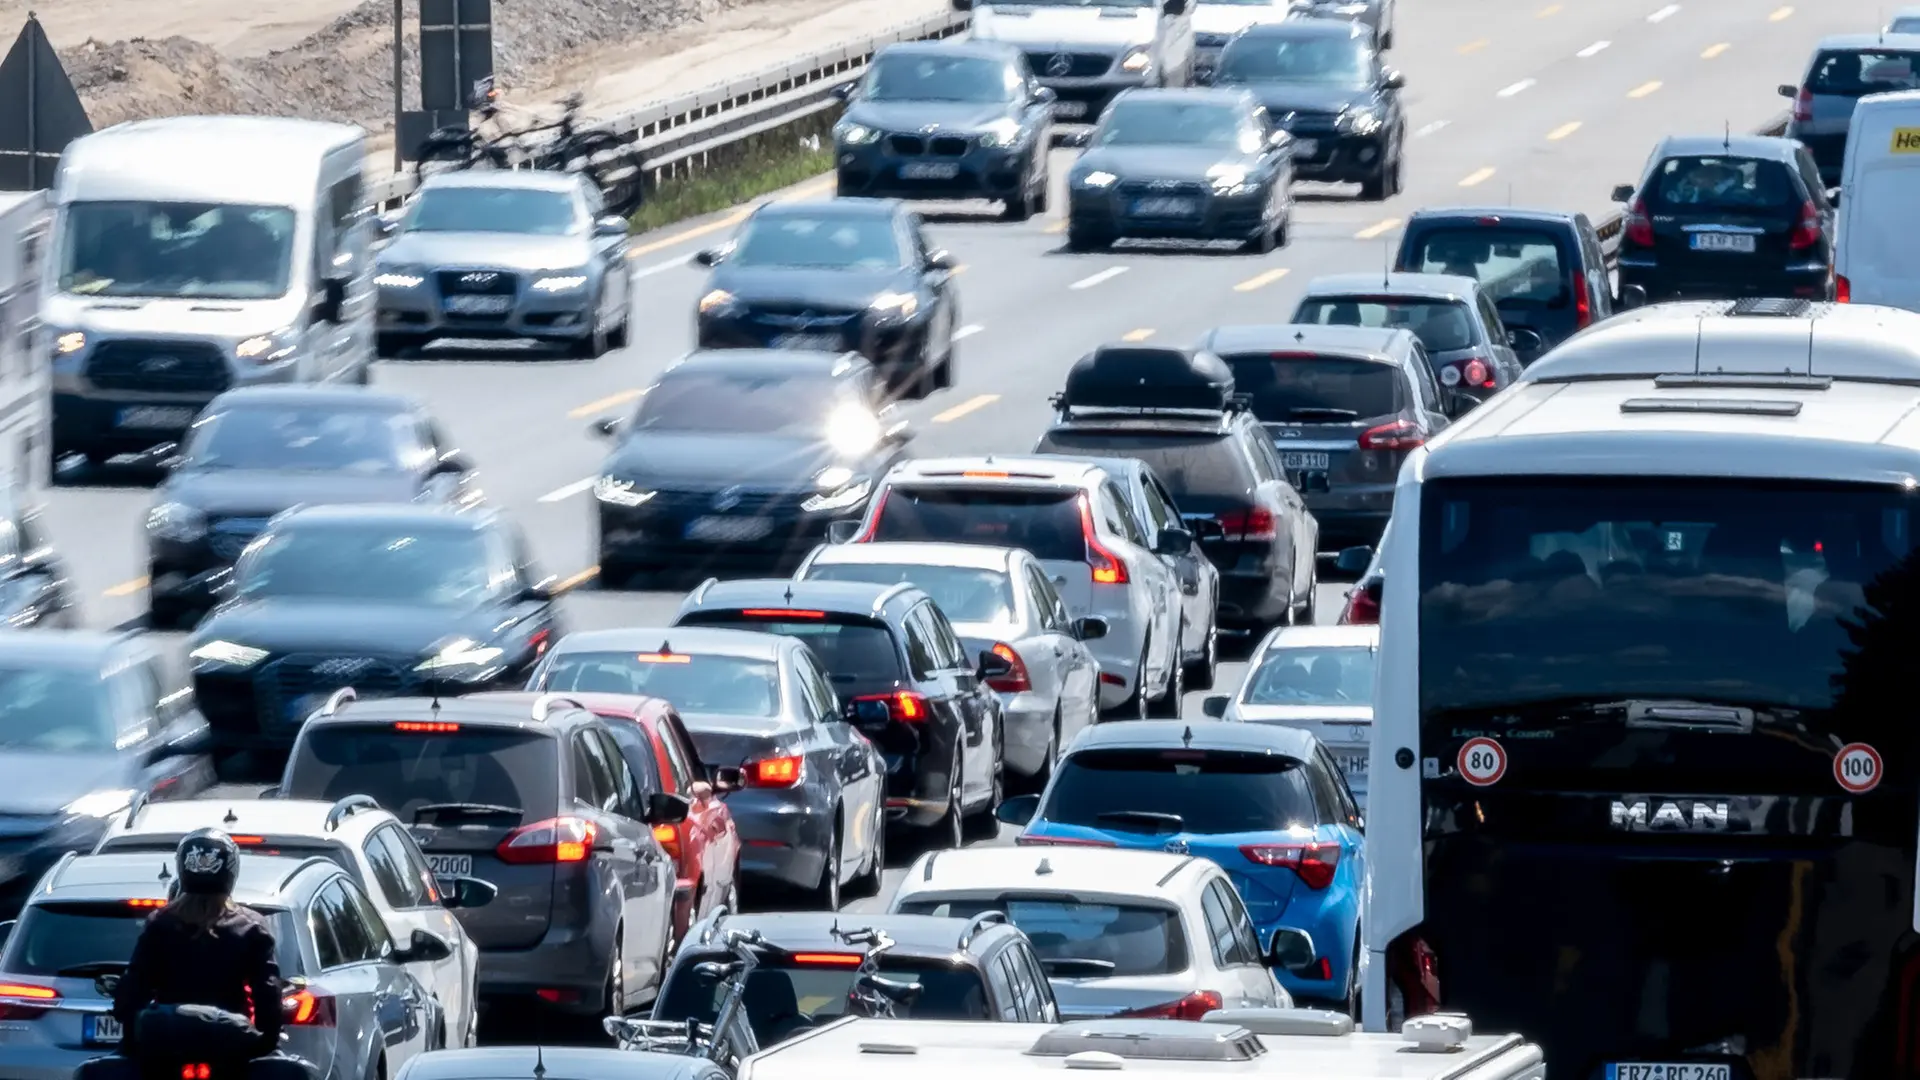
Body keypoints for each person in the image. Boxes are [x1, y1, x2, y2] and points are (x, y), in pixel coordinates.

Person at [80, 829, 310, 1080]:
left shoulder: (160, 922)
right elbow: (267, 994)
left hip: (165, 1048)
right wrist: (264, 1041)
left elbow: (135, 987)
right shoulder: (251, 925)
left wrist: (131, 1025)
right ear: (231, 872)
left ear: (182, 869)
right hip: (232, 1050)